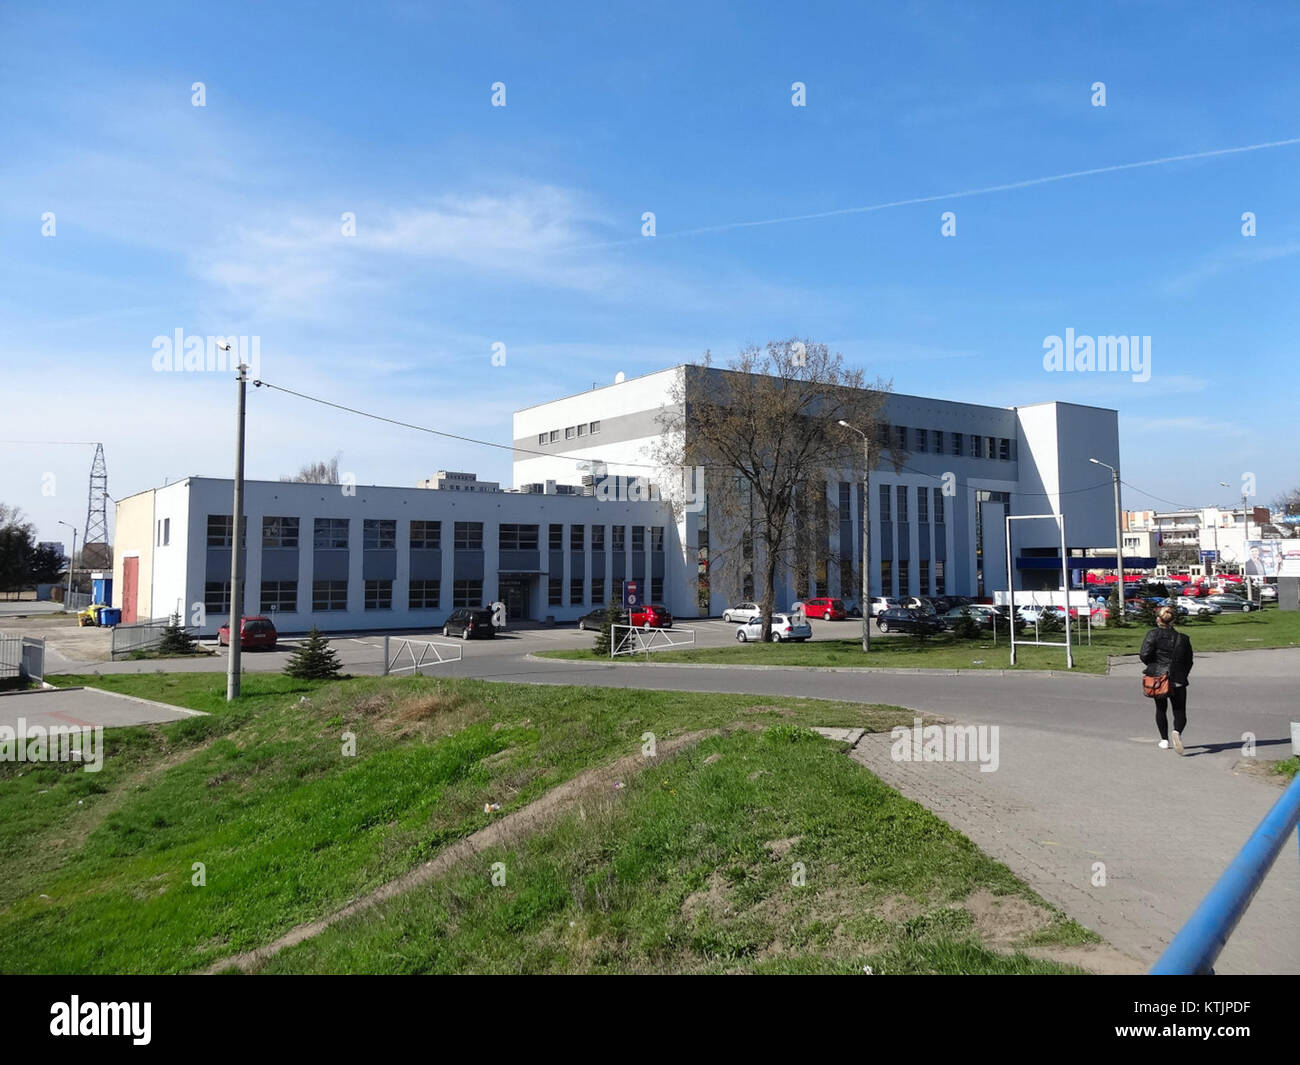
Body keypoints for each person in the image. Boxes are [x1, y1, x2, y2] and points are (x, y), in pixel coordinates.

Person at [1139, 605, 1194, 754]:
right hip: (1178, 679)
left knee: (1160, 709)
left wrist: (1153, 665)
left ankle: (1164, 740)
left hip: (1158, 678)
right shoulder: (1183, 638)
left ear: (1158, 619)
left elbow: (1144, 654)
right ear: (1174, 620)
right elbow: (1189, 661)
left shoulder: (1152, 634)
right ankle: (1177, 732)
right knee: (1179, 710)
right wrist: (1183, 674)